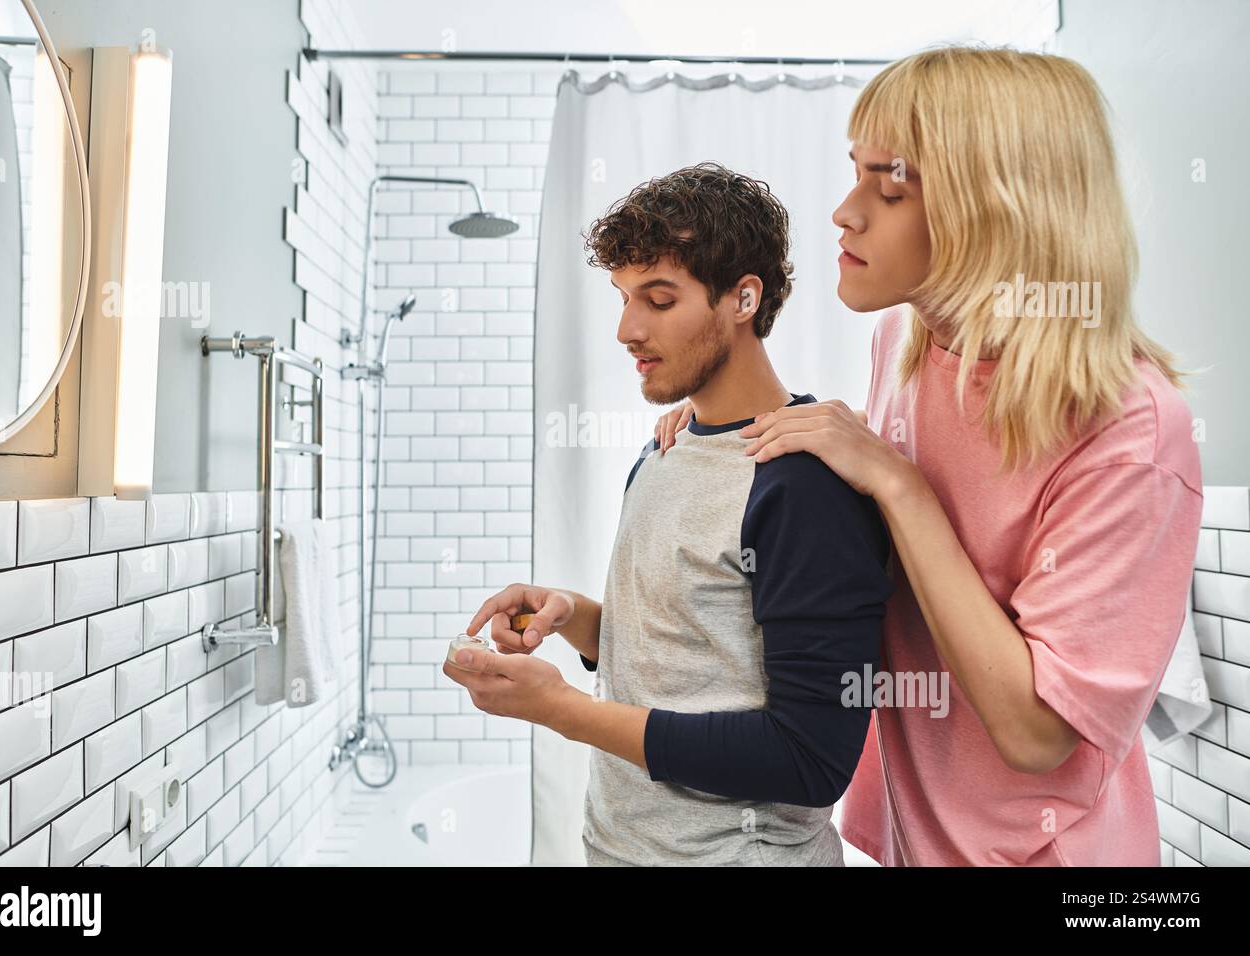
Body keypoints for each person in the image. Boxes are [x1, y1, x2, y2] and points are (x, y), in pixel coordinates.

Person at [654, 47, 1204, 866]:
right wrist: (730, 427)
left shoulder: (1128, 425)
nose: (845, 212)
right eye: (855, 174)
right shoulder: (908, 342)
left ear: (1001, 210)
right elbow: (872, 541)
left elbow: (1036, 731)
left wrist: (898, 484)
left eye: (892, 188)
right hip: (916, 836)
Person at [444, 162, 892, 865]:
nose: (627, 328)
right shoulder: (665, 449)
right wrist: (575, 616)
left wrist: (563, 711)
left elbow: (811, 759)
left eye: (658, 299)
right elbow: (692, 650)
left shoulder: (804, 487)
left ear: (744, 299)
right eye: (624, 297)